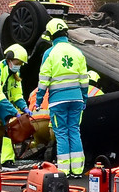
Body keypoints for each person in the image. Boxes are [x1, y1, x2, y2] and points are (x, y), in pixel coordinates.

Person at [32, 17, 90, 177]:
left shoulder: (49, 54)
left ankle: (64, 171)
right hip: (77, 99)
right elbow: (84, 79)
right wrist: (84, 98)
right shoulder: (78, 52)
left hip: (58, 101)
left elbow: (43, 81)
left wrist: (38, 101)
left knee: (62, 133)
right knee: (74, 131)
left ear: (51, 36)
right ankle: (77, 170)